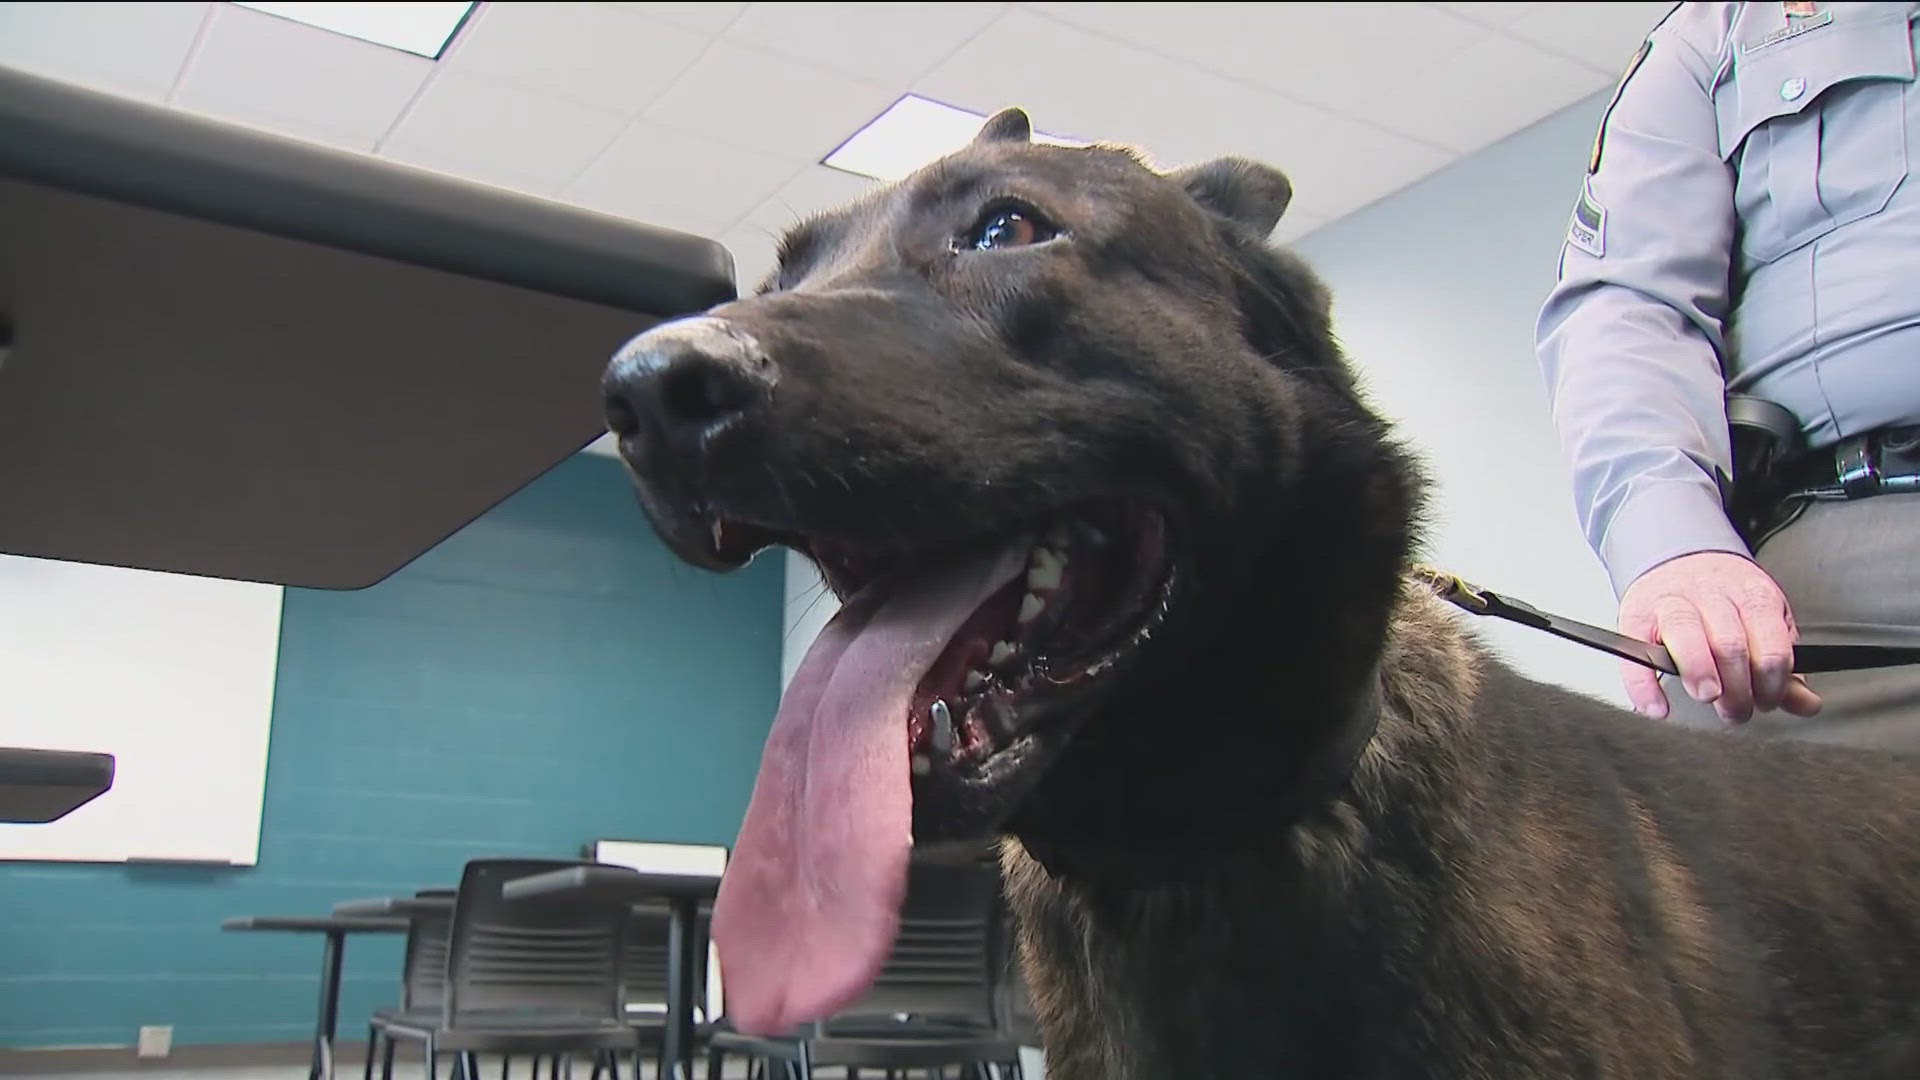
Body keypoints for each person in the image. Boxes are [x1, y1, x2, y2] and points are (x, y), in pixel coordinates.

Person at [1536, 1, 1920, 753]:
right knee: (1703, 794)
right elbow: (1628, 312)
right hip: (1861, 546)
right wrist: (1675, 546)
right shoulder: (1717, 35)